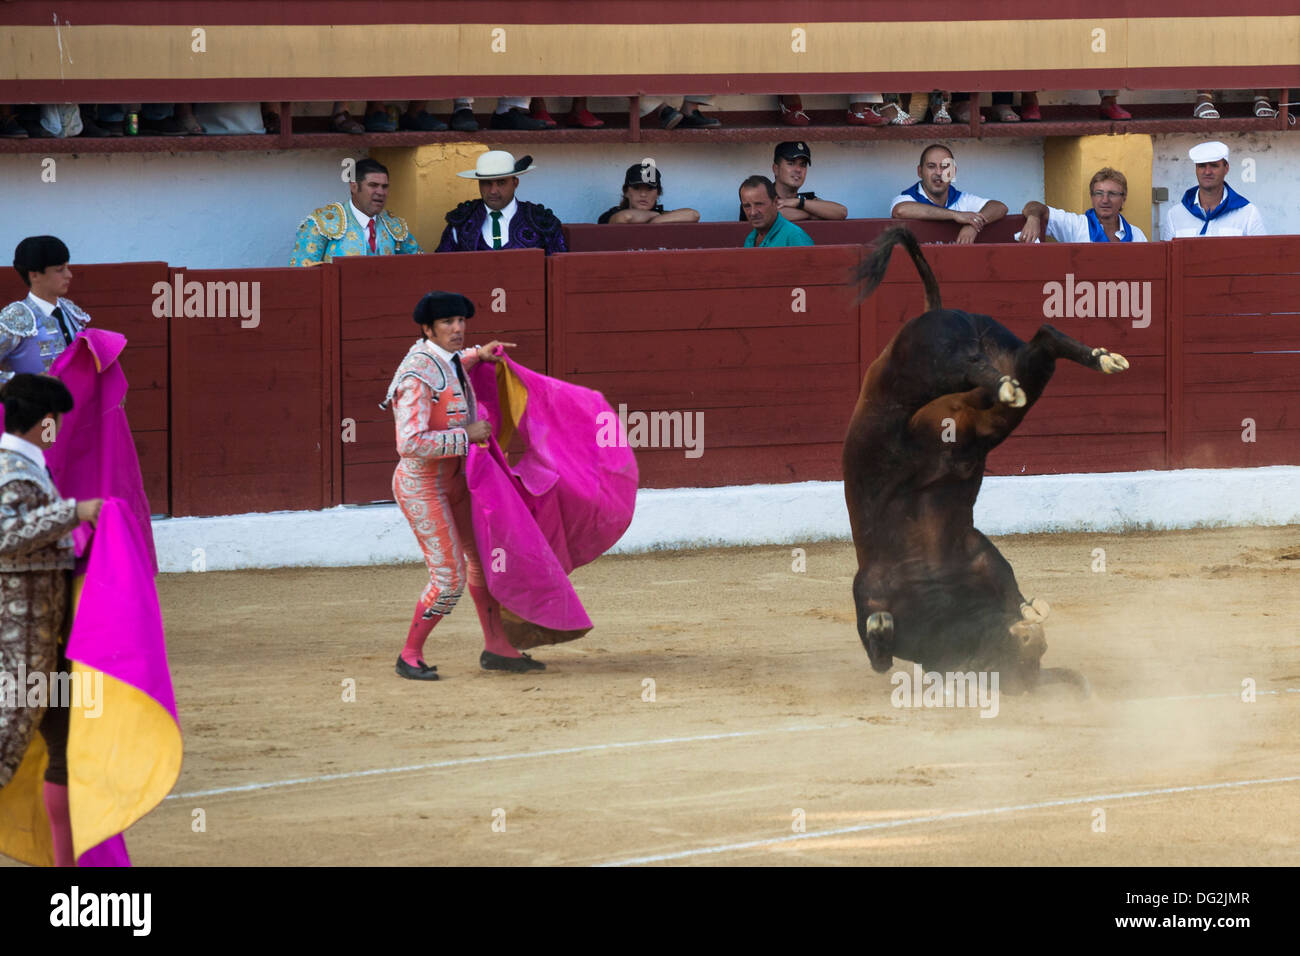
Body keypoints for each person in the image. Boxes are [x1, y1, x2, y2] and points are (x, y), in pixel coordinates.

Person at [379, 291, 541, 677]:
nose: (457, 329)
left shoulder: (447, 360)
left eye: (461, 322)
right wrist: (466, 434)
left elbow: (454, 365)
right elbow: (410, 444)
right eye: (448, 323)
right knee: (448, 577)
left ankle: (497, 647)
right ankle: (410, 654)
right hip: (422, 486)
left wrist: (479, 353)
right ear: (427, 328)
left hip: (455, 481)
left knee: (484, 563)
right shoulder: (415, 376)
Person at [0, 373, 103, 866]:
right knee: (4, 748)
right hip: (16, 647)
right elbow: (4, 535)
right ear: (45, 423)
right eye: (56, 422)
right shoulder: (7, 468)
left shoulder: (26, 466)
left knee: (66, 749)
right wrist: (75, 513)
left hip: (50, 644)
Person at [289, 158, 420, 266]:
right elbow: (301, 275)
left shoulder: (394, 225)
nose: (380, 192)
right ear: (354, 187)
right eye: (373, 185)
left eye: (384, 187)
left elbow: (420, 265)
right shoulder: (321, 223)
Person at [436, 151, 567, 254]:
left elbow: (559, 271)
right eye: (487, 183)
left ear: (515, 183)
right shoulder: (461, 221)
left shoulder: (541, 221)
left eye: (501, 183)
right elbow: (441, 268)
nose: (493, 191)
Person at [2, 237, 89, 386]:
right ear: (34, 275)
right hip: (32, 408)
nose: (69, 275)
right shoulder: (15, 318)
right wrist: (25, 383)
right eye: (60, 270)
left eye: (67, 267)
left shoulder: (72, 312)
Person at [889, 144, 1007, 245]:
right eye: (931, 166)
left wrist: (973, 225)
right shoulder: (907, 198)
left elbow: (999, 207)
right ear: (920, 171)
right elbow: (900, 210)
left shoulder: (962, 199)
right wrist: (956, 215)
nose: (939, 172)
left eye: (945, 167)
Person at [1161, 141, 1266, 238]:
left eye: (1214, 166)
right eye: (1201, 166)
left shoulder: (1247, 213)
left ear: (1226, 168)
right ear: (1196, 169)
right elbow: (1167, 257)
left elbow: (1261, 255)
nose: (1207, 172)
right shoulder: (1175, 215)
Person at [1018, 167, 1148, 243]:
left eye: (1112, 194)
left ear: (1123, 198)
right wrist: (1033, 218)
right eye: (1098, 193)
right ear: (1091, 197)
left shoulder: (1136, 234)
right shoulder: (1076, 224)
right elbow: (1033, 206)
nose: (1105, 200)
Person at [737, 142, 846, 222]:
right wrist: (814, 213)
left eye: (802, 165)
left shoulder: (805, 200)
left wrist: (798, 203)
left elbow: (841, 212)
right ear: (776, 169)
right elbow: (772, 214)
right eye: (791, 163)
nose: (798, 170)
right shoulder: (761, 195)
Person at [598, 159, 699, 224]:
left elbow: (693, 215)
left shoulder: (661, 215)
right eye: (637, 188)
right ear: (626, 192)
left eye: (650, 189)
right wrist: (654, 216)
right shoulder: (611, 214)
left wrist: (657, 220)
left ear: (658, 193)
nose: (643, 194)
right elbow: (624, 217)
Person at [739, 176, 814, 248]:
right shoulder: (750, 239)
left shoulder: (794, 236)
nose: (753, 212)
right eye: (747, 206)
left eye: (759, 204)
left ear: (775, 202)